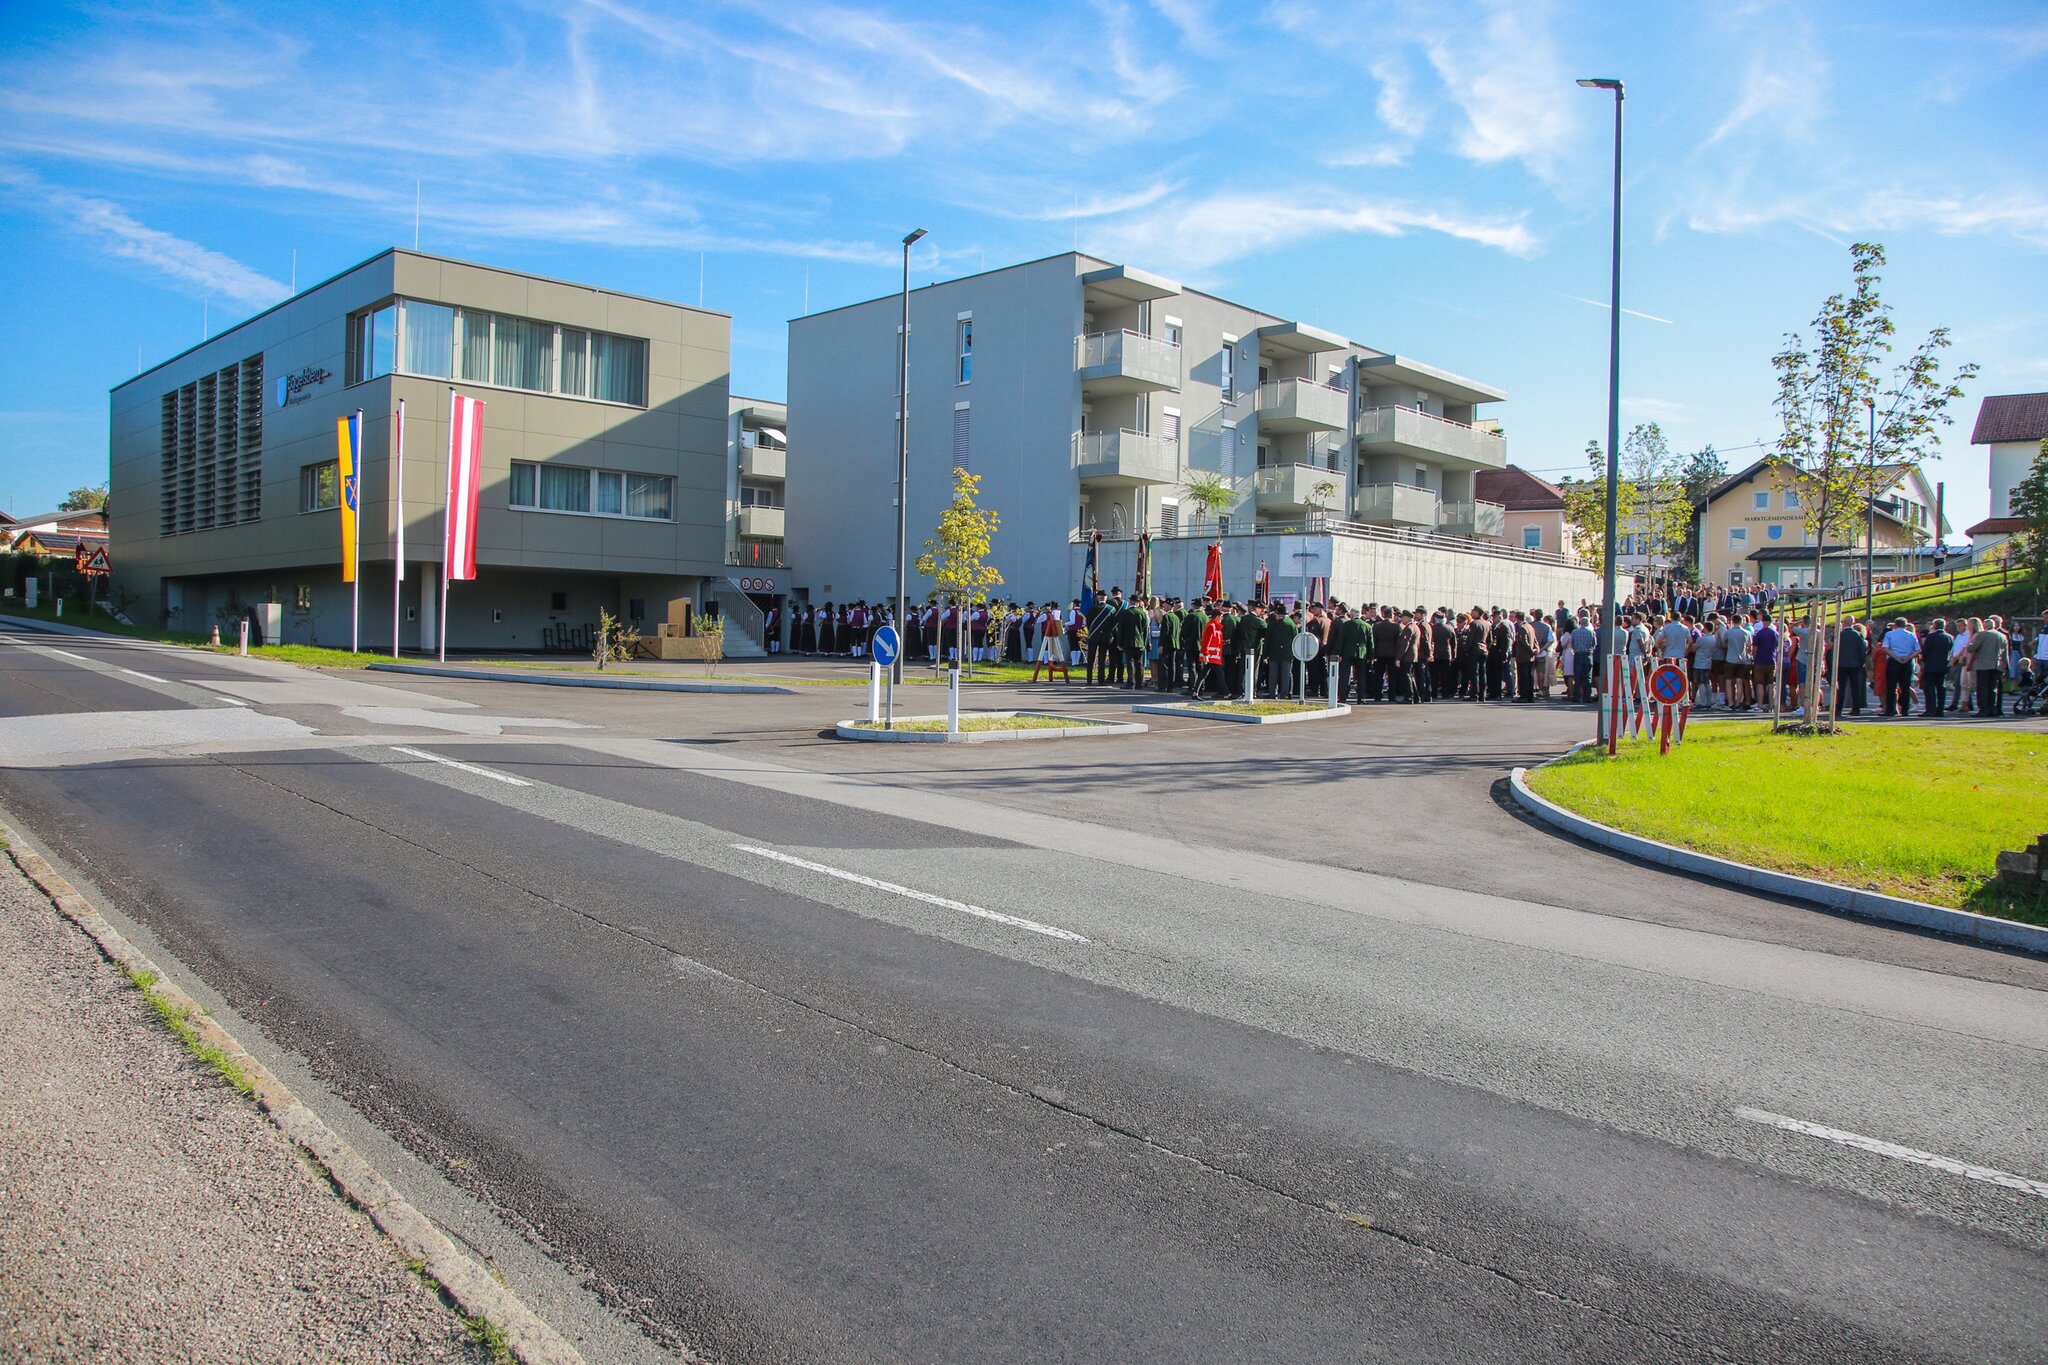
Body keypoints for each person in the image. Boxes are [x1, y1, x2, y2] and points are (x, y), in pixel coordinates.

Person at [1879, 617, 1919, 718]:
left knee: (1891, 687)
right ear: (1905, 625)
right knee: (1905, 687)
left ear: (1895, 625)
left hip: (1893, 661)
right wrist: (1908, 657)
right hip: (1907, 662)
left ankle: (1890, 709)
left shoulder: (1889, 634)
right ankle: (1905, 709)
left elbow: (1885, 648)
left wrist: (1896, 657)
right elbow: (1917, 650)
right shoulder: (1911, 635)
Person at [1969, 617, 2009, 717]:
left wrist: (1969, 645)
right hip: (1997, 665)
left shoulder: (1982, 634)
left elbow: (1972, 648)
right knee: (1993, 688)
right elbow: (2005, 653)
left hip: (1984, 664)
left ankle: (1983, 709)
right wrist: (2005, 666)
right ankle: (1992, 708)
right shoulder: (2002, 636)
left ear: (1985, 626)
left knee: (1982, 688)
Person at [1835, 617, 1868, 716]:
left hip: (1842, 664)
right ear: (1853, 623)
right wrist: (1861, 663)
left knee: (1841, 687)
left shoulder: (1839, 635)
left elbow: (1835, 650)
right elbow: (1862, 651)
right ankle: (1856, 709)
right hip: (1855, 664)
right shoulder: (1858, 635)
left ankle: (1838, 709)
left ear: (1844, 623)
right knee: (1855, 687)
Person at [1921, 618, 1953, 718]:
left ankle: (1930, 709)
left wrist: (1924, 661)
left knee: (1929, 689)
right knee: (1941, 688)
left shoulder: (1931, 637)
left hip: (1931, 665)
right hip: (1943, 665)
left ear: (1934, 626)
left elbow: (1925, 651)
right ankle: (1940, 710)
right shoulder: (1949, 637)